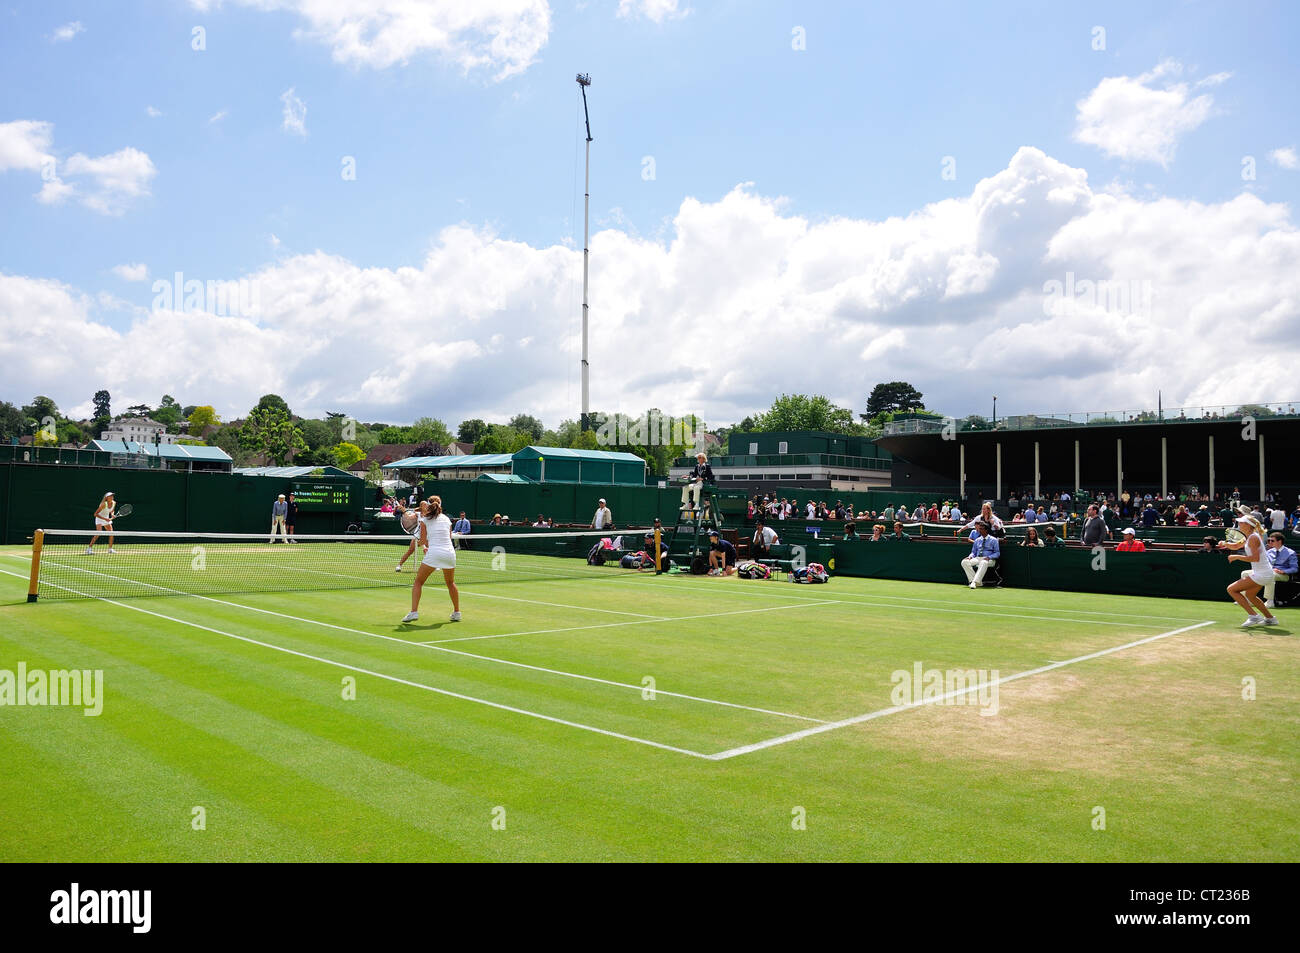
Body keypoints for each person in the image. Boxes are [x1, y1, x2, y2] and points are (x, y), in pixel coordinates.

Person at [402, 496, 461, 623]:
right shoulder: (446, 519)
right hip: (450, 553)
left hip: (435, 553)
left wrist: (425, 545)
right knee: (450, 583)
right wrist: (429, 545)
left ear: (429, 505)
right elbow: (448, 537)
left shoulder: (424, 520)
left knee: (418, 582)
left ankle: (413, 612)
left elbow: (422, 541)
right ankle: (457, 612)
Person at [1218, 516, 1278, 627]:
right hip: (1264, 573)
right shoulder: (1249, 537)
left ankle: (1253, 616)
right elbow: (1236, 545)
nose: (1239, 524)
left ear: (1248, 525)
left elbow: (1255, 558)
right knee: (1250, 595)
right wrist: (1225, 543)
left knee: (1231, 589)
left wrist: (1237, 557)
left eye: (1242, 523)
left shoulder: (1253, 538)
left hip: (1263, 574)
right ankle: (1270, 619)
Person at [1258, 531, 1297, 608]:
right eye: (1268, 540)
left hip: (1283, 575)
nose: (1269, 542)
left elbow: (1294, 568)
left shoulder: (1290, 553)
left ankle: (1270, 601)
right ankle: (1246, 599)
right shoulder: (1269, 552)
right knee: (1245, 573)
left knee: (1270, 575)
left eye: (1272, 541)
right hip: (1269, 572)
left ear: (1280, 541)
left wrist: (1283, 571)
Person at [962, 520, 1001, 588]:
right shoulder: (977, 540)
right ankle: (976, 582)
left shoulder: (994, 540)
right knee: (964, 562)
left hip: (989, 560)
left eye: (981, 529)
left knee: (983, 562)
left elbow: (997, 553)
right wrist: (970, 557)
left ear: (986, 530)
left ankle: (974, 582)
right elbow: (973, 552)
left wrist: (989, 557)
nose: (979, 530)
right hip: (977, 558)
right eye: (979, 529)